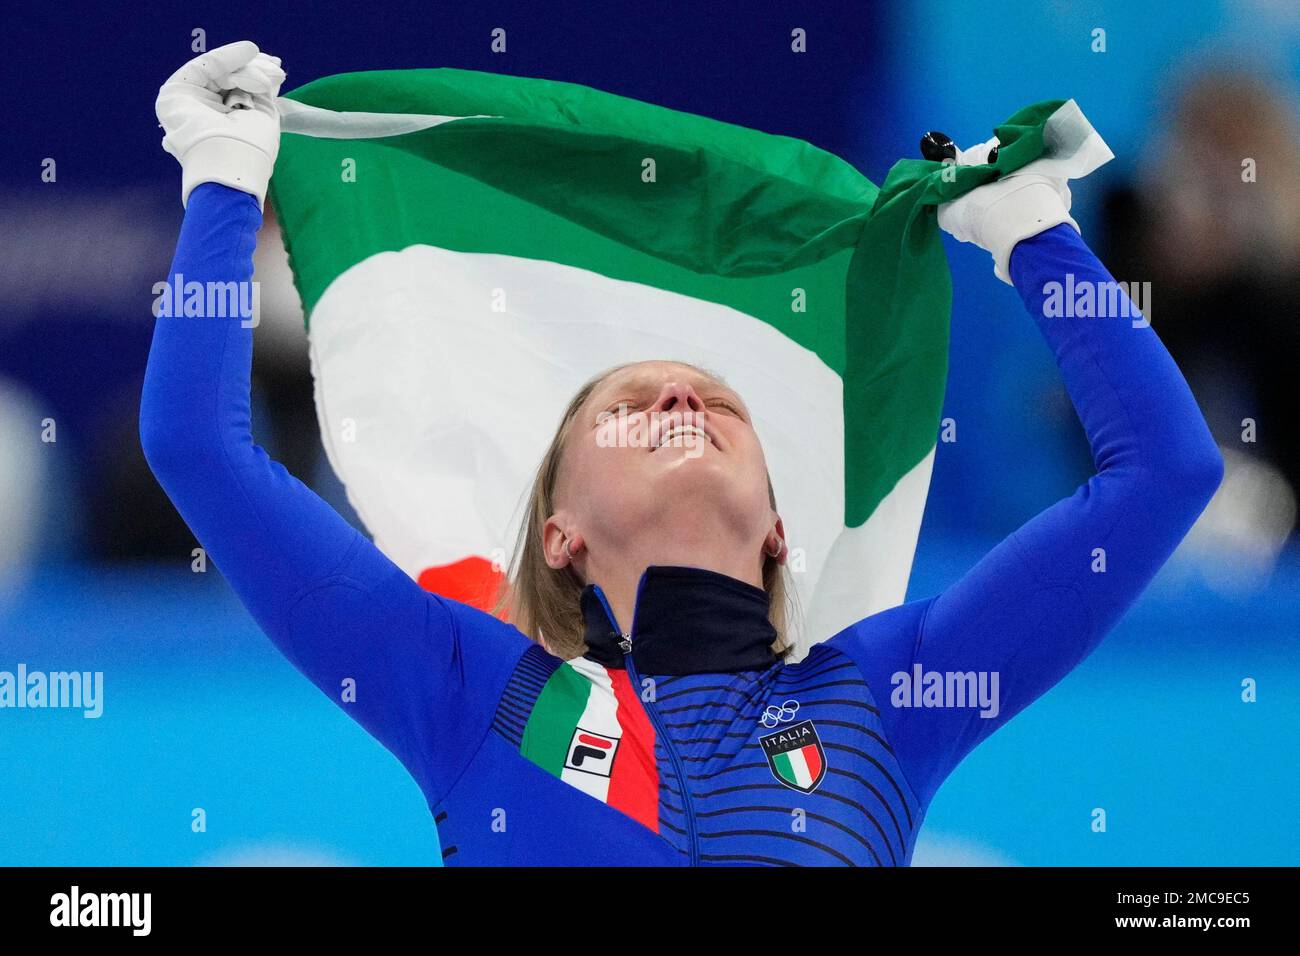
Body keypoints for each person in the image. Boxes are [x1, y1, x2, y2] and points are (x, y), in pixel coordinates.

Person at [141, 43, 1223, 866]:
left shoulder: (891, 693)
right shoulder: (468, 685)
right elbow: (198, 447)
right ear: (557, 529)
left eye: (718, 401)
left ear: (777, 526)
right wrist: (226, 179)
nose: (677, 390)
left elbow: (1165, 471)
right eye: (623, 404)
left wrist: (1032, 229)